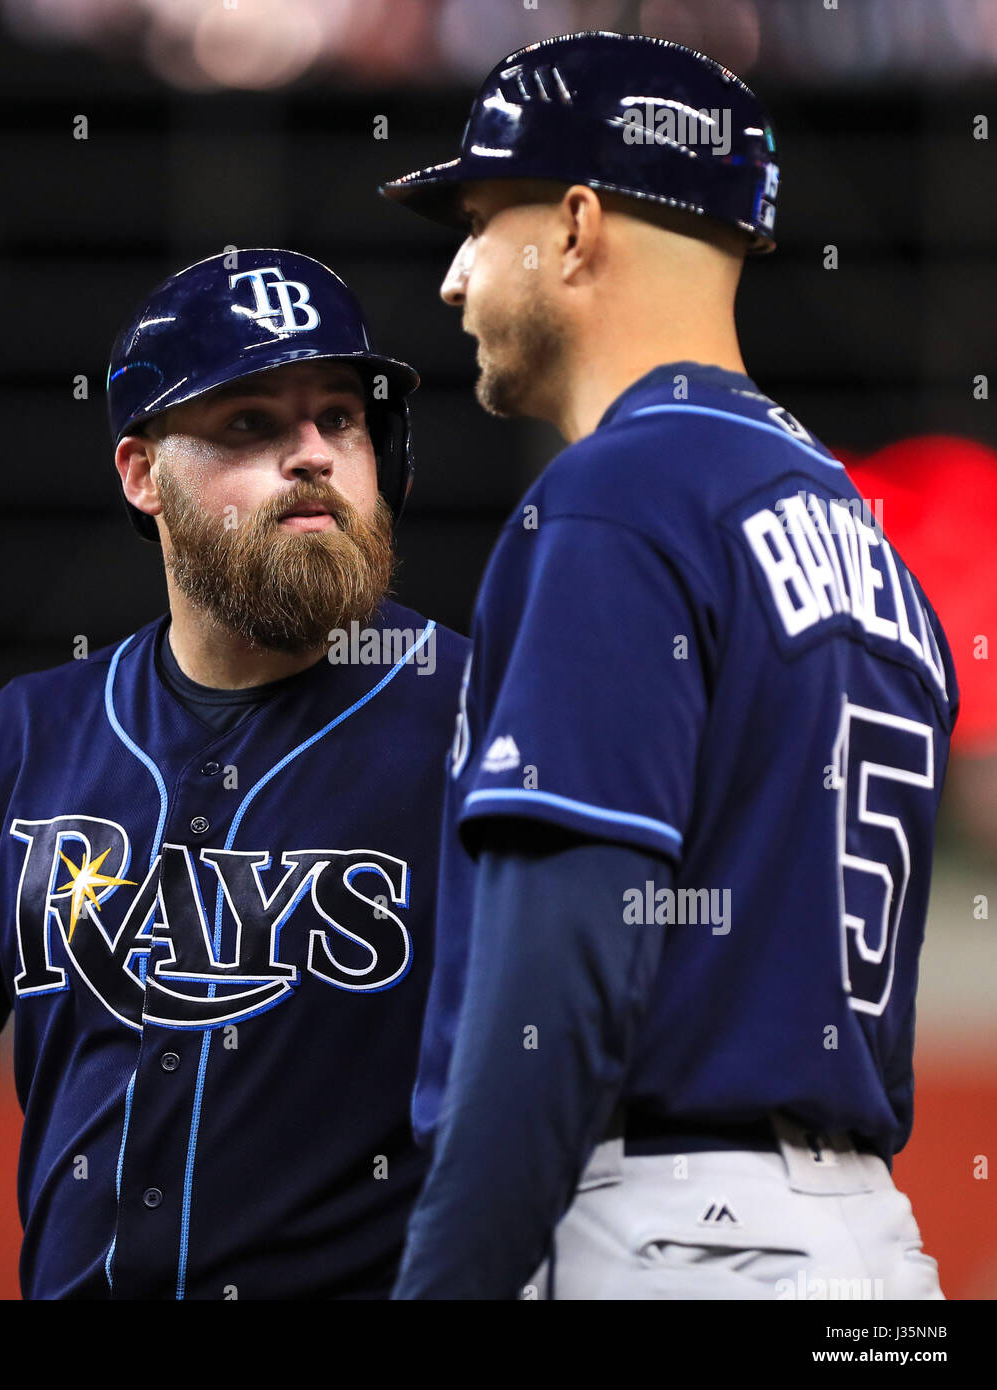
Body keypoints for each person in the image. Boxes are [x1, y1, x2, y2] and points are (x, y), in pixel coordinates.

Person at [379, 31, 958, 1299]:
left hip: (667, 1235)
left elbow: (560, 988)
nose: (455, 277)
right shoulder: (872, 548)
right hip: (865, 1243)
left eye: (479, 219)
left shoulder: (617, 500)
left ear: (576, 224)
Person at [0, 248, 469, 1300]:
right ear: (142, 474)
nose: (310, 455)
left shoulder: (491, 721)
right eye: (249, 425)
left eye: (340, 418)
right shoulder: (18, 744)